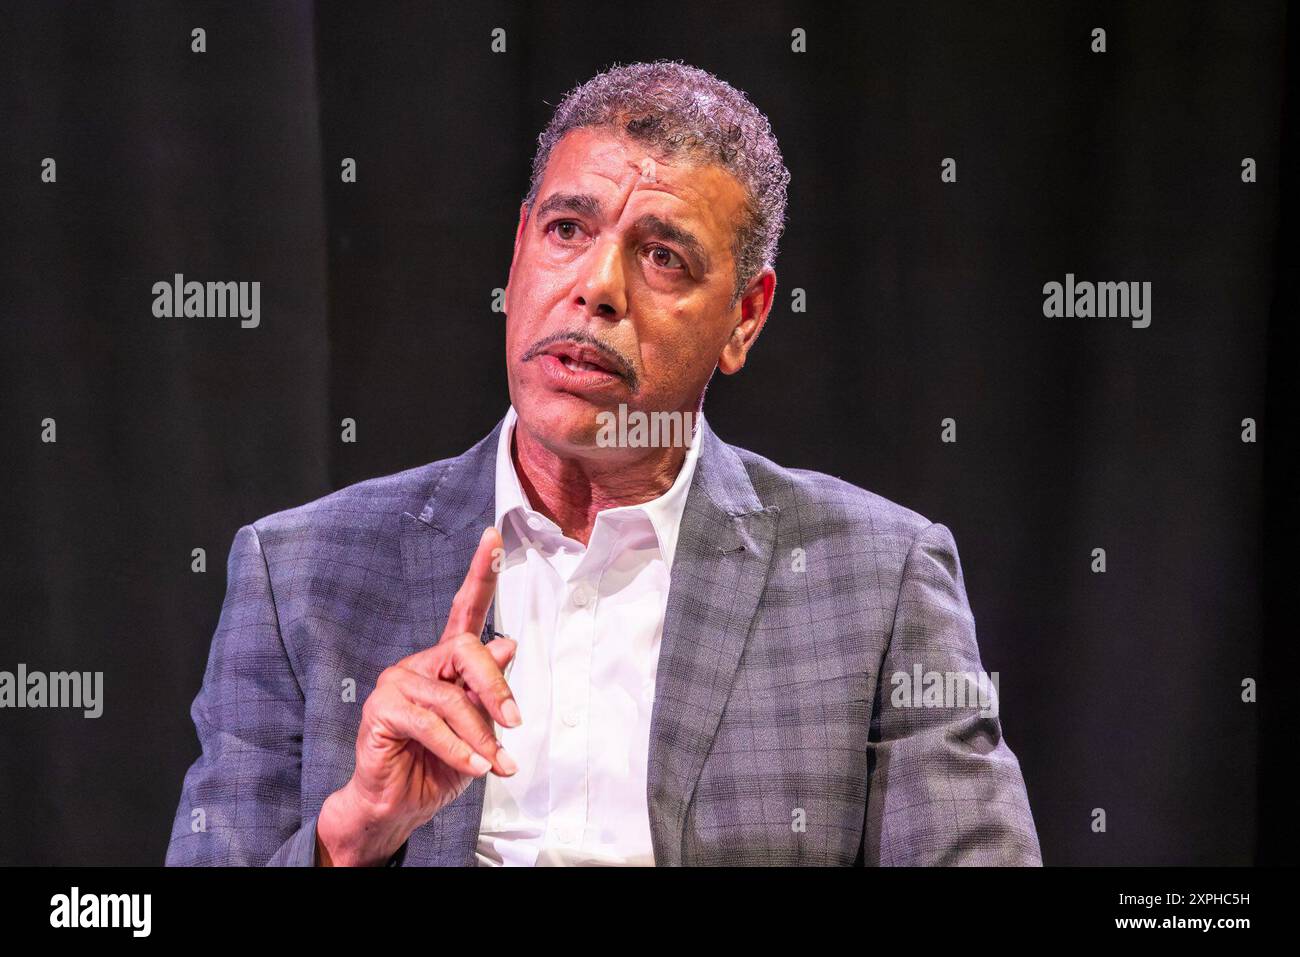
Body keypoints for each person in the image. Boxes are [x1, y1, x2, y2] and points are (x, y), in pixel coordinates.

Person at [166, 59, 1041, 866]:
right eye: (567, 228)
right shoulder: (300, 575)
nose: (597, 286)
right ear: (518, 250)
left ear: (745, 316)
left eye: (662, 256)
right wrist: (349, 833)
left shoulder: (875, 580)